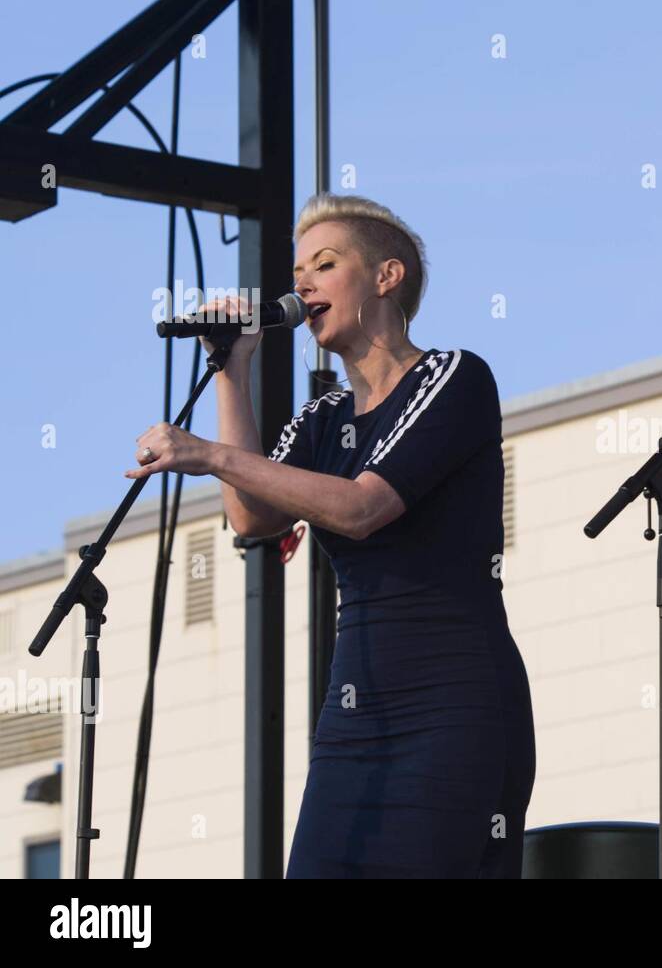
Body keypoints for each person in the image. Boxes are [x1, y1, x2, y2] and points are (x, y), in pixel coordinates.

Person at [126, 193, 535, 878]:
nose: (303, 283)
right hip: (355, 713)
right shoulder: (322, 420)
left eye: (325, 263)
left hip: (451, 704)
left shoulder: (453, 377)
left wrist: (206, 452)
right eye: (297, 270)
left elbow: (361, 508)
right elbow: (252, 517)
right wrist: (233, 369)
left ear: (387, 276)